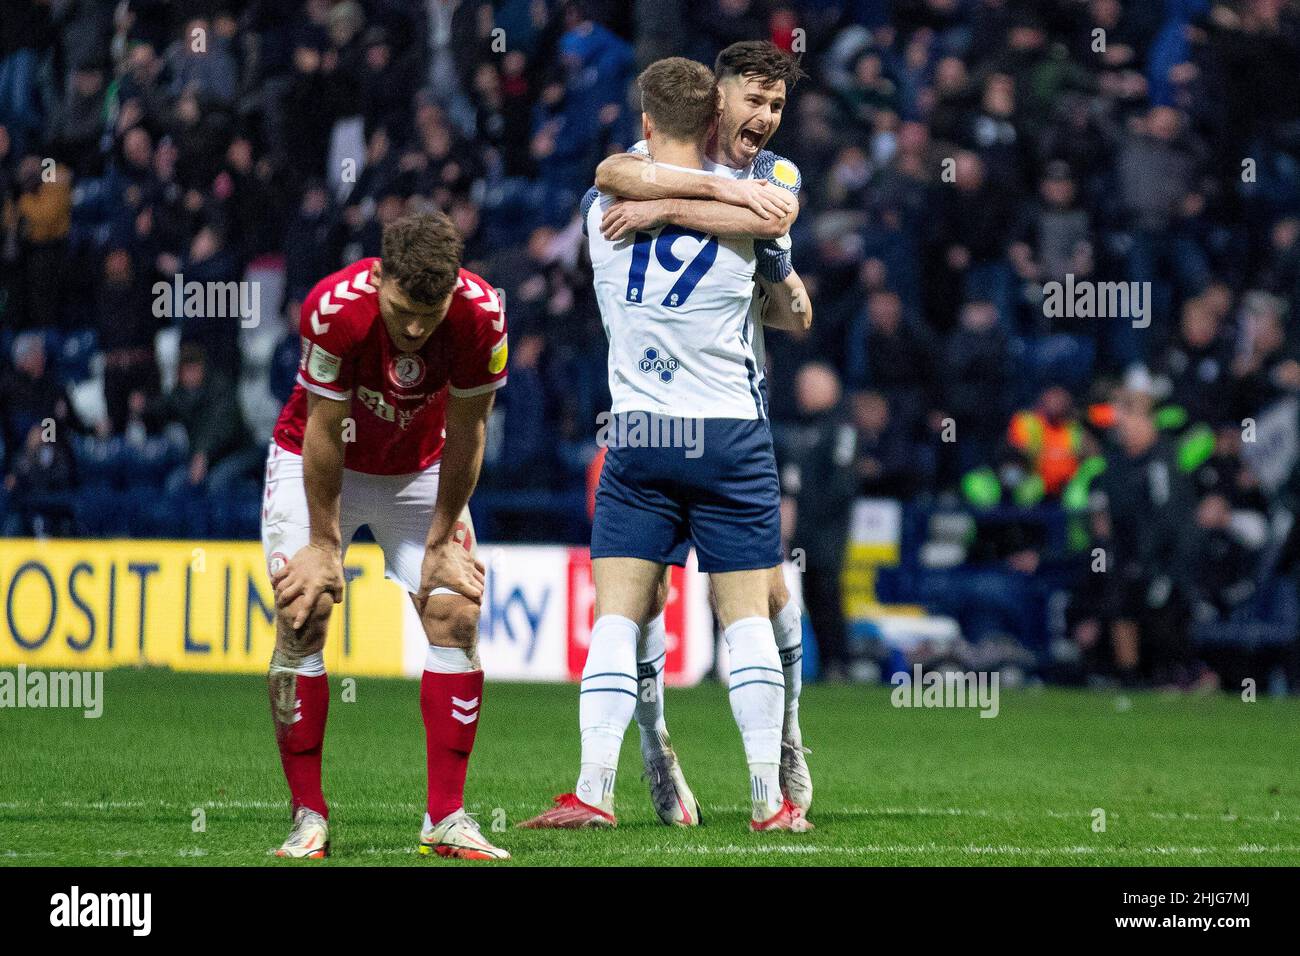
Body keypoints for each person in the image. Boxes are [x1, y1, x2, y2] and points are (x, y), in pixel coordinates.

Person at [520, 56, 808, 834]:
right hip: (730, 436)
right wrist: (722, 197)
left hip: (640, 432)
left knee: (616, 617)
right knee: (743, 615)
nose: (769, 116)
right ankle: (767, 801)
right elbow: (768, 226)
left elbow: (613, 173)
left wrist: (658, 208)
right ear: (713, 110)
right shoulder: (756, 202)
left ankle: (592, 790)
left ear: (648, 122)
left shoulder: (598, 207)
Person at [263, 211, 510, 860]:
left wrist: (438, 541)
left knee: (456, 613)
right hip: (318, 459)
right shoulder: (333, 309)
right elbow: (322, 429)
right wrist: (323, 544)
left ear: (454, 289)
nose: (416, 329)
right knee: (303, 612)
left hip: (418, 469)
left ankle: (446, 819)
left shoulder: (483, 317)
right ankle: (307, 816)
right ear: (379, 278)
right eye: (403, 310)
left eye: (431, 312)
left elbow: (470, 432)